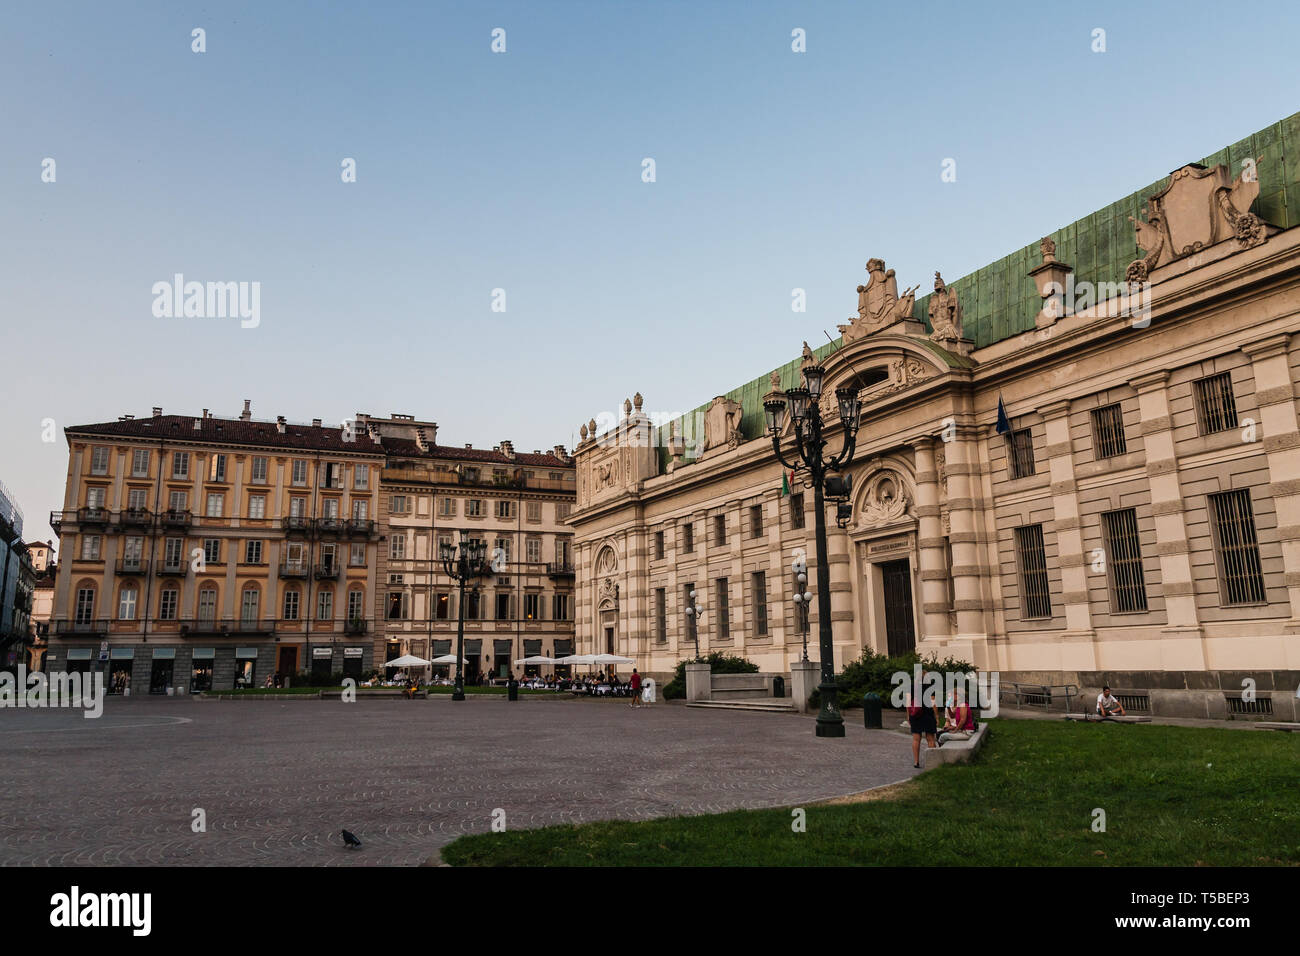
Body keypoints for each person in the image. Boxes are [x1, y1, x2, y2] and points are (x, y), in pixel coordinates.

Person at [907, 673, 940, 768]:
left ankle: (916, 762)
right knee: (930, 739)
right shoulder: (930, 687)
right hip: (928, 715)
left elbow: (908, 703)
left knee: (916, 739)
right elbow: (933, 704)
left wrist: (908, 715)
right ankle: (932, 762)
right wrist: (937, 716)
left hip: (916, 715)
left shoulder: (911, 687)